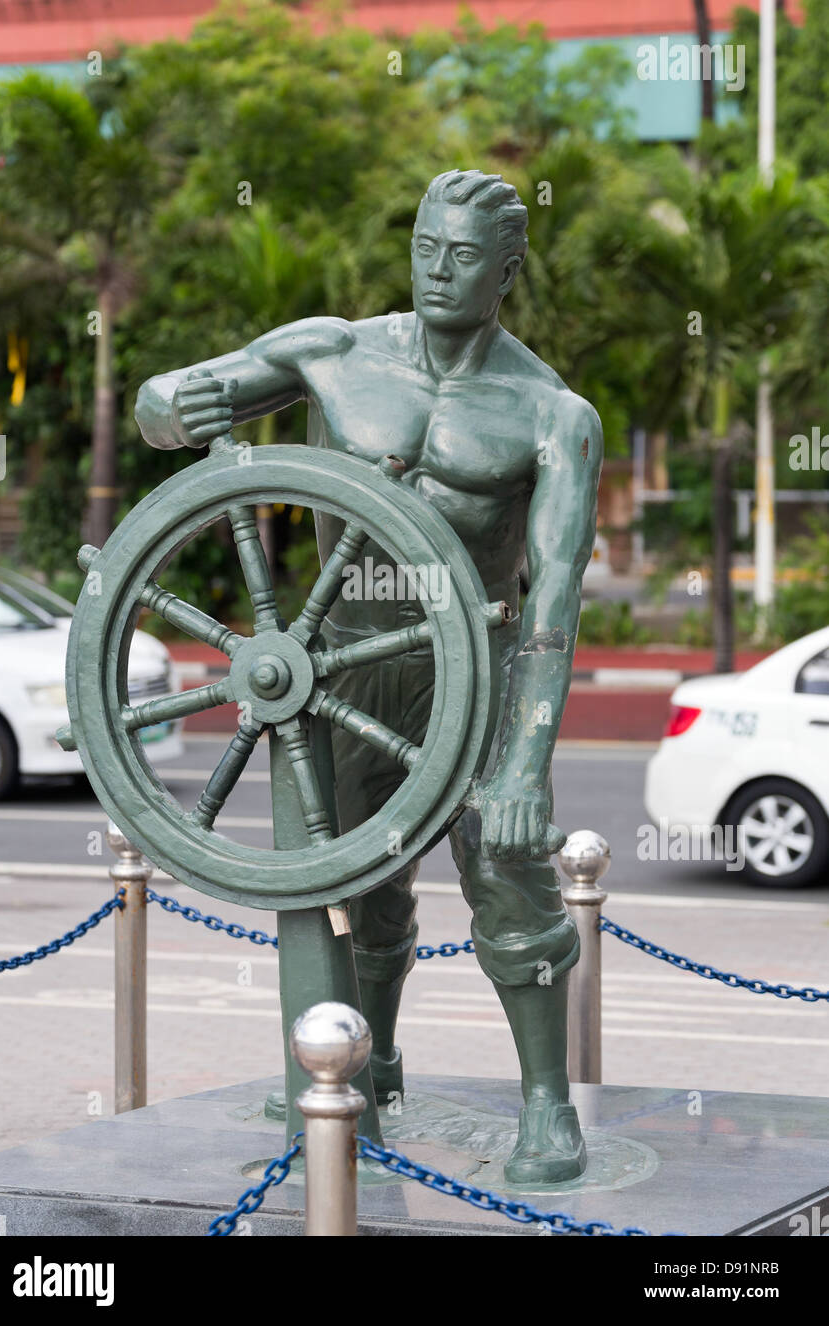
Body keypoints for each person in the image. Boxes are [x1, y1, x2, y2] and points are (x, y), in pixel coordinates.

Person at [136, 169, 603, 1183]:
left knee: (507, 879)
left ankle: (543, 1105)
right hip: (335, 663)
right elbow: (162, 404)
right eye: (425, 247)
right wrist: (171, 405)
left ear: (507, 270)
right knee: (359, 886)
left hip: (467, 667)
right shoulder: (332, 350)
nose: (439, 270)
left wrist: (523, 763)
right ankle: (369, 1066)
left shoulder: (550, 413)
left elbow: (554, 603)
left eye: (465, 255)